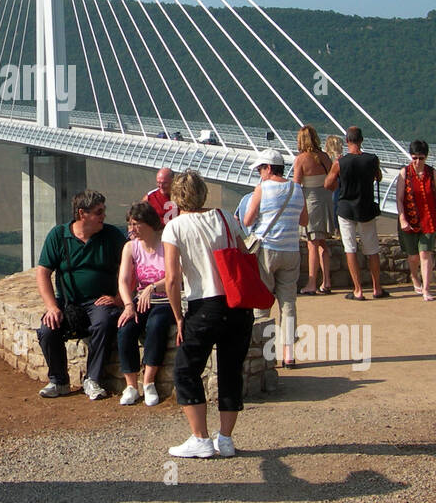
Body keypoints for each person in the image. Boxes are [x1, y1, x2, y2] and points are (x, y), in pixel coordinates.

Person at [162, 170, 253, 458]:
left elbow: (172, 279)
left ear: (177, 197)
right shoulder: (225, 217)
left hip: (204, 305)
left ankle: (200, 437)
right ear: (203, 192)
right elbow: (243, 254)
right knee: (230, 370)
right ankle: (225, 438)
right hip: (237, 304)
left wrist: (179, 317)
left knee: (186, 370)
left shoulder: (174, 227)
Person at [35, 190, 127, 400]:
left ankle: (93, 379)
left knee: (104, 323)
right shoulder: (59, 236)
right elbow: (43, 273)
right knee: (48, 329)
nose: (103, 216)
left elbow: (130, 267)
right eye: (98, 212)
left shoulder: (112, 236)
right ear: (82, 214)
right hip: (68, 302)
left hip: (100, 300)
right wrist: (52, 307)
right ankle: (59, 381)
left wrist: (119, 298)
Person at [243, 150, 307, 368]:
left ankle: (265, 352)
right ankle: (289, 354)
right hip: (291, 250)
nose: (259, 174)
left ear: (269, 168)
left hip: (267, 250)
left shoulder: (262, 188)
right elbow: (304, 220)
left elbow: (247, 220)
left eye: (260, 169)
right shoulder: (297, 189)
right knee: (288, 302)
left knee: (262, 301)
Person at [116, 203, 175, 406]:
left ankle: (148, 381)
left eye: (136, 224)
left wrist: (154, 287)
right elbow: (124, 280)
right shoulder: (130, 247)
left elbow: (175, 275)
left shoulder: (166, 244)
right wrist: (128, 305)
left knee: (156, 325)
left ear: (149, 223)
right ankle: (131, 385)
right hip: (141, 299)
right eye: (130, 224)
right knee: (126, 327)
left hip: (165, 299)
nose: (132, 229)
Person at [324, 126, 388, 300]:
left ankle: (358, 290)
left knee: (350, 248)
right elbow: (379, 177)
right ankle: (377, 288)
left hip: (346, 208)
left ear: (347, 141)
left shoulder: (340, 162)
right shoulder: (372, 159)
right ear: (362, 140)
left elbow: (327, 184)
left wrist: (338, 179)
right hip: (366, 208)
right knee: (372, 249)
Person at [397, 140, 436, 302]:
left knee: (425, 254)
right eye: (414, 158)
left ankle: (426, 289)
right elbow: (399, 198)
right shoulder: (404, 173)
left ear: (426, 157)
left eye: (421, 158)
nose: (417, 162)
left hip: (429, 219)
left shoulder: (432, 173)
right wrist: (402, 218)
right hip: (410, 219)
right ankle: (414, 276)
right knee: (413, 257)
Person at [292, 126, 334, 295]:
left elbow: (296, 185)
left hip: (311, 203)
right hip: (326, 201)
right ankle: (327, 281)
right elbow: (333, 179)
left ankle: (311, 283)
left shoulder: (301, 159)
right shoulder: (325, 157)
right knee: (323, 243)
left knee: (312, 244)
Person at [324, 135, 344, 227]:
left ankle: (331, 225)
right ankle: (336, 226)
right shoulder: (339, 159)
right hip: (337, 183)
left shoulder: (324, 157)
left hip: (326, 183)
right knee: (336, 204)